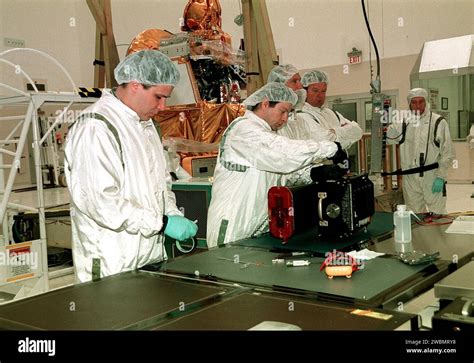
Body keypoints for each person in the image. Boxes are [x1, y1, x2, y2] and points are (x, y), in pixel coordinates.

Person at [65, 50, 198, 283]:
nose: (163, 107)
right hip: (111, 261)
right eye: (158, 97)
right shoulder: (96, 127)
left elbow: (161, 185)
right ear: (135, 85)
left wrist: (172, 213)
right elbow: (100, 201)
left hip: (148, 254)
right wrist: (162, 224)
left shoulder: (146, 127)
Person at [206, 82, 347, 247]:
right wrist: (329, 148)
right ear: (265, 104)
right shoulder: (243, 130)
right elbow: (282, 155)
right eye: (283, 111)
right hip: (232, 228)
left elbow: (281, 173)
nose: (285, 119)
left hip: (258, 228)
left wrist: (314, 173)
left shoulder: (265, 134)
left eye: (289, 112)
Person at [386, 88, 455, 214]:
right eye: (414, 102)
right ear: (409, 104)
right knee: (415, 216)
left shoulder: (438, 122)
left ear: (426, 102)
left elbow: (447, 152)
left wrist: (441, 176)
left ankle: (439, 234)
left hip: (432, 176)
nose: (418, 106)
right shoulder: (402, 122)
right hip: (410, 178)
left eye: (421, 101)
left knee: (438, 215)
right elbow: (389, 139)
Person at [300, 70, 363, 150]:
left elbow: (357, 132)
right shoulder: (302, 115)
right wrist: (345, 131)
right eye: (315, 91)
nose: (320, 95)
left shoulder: (330, 113)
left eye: (323, 91)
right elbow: (324, 141)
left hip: (341, 161)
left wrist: (334, 131)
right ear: (305, 91)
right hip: (321, 162)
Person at [267, 64, 306, 139]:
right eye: (294, 81)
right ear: (279, 85)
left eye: (299, 81)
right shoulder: (271, 121)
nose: (300, 86)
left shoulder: (300, 120)